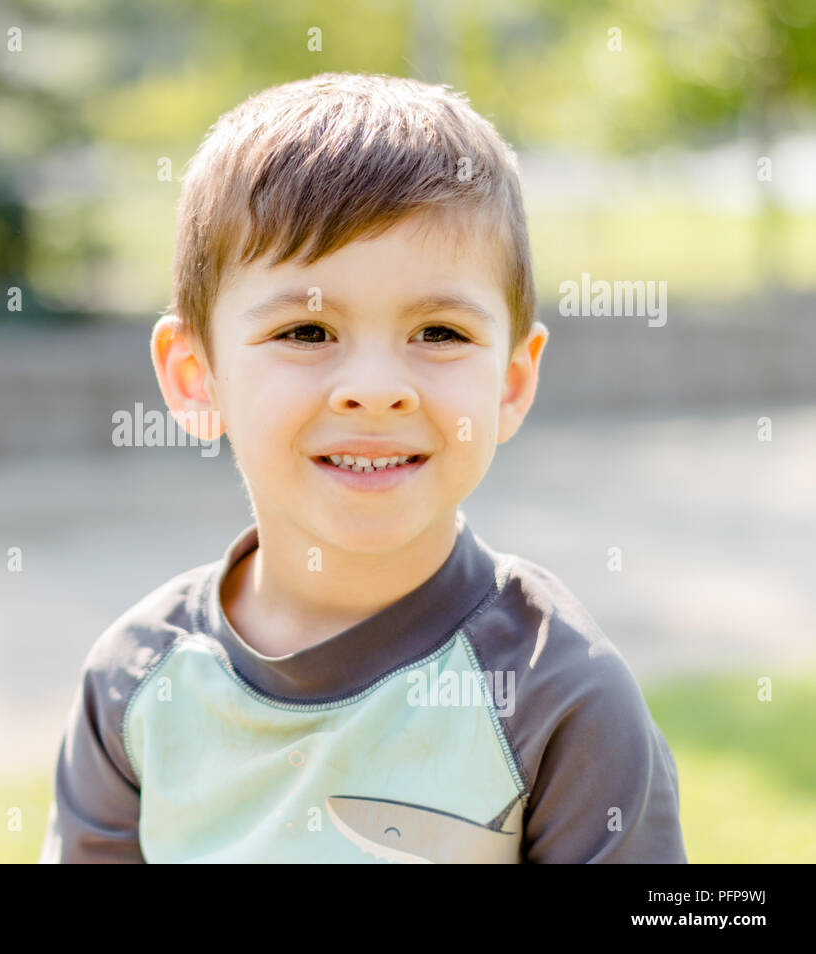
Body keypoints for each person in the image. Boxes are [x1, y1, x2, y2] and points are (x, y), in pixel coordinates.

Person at [39, 72, 686, 863]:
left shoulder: (561, 696)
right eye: (307, 332)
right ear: (193, 376)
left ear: (512, 382)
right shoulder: (135, 683)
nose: (375, 392)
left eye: (440, 332)